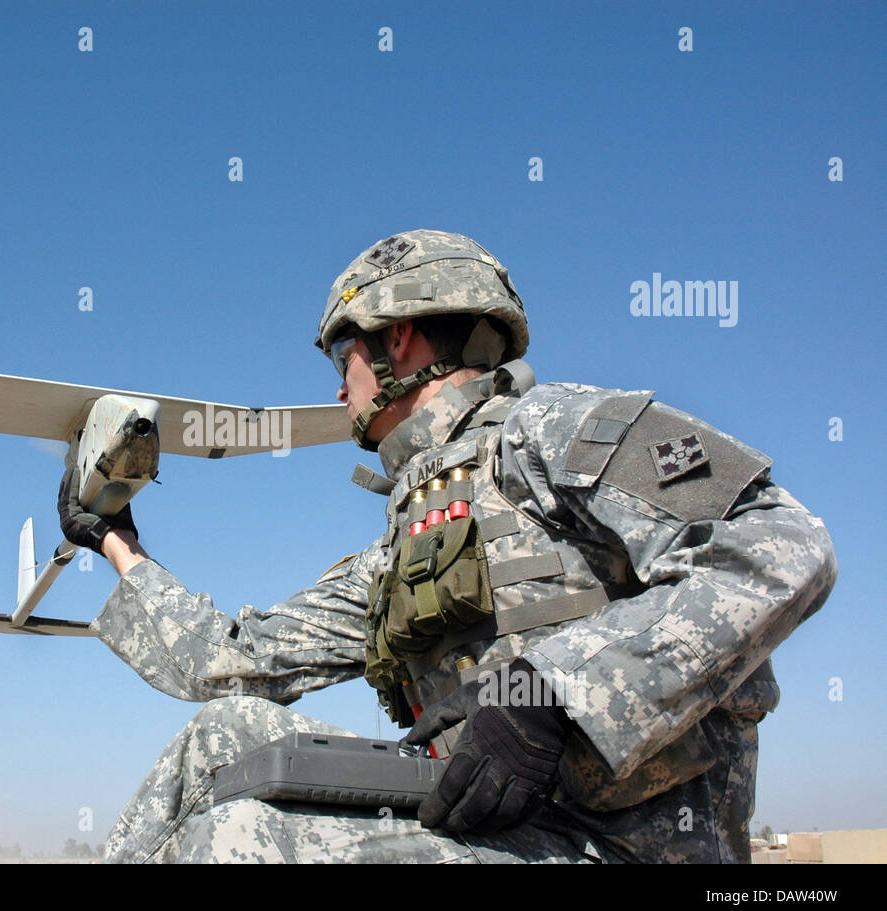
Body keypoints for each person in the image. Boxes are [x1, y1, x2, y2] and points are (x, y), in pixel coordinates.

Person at [58, 230, 838, 864]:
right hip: (498, 835)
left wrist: (552, 700)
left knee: (233, 844)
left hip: (622, 845)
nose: (338, 391)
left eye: (344, 362)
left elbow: (778, 544)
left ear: (397, 341)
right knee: (219, 740)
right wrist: (116, 543)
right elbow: (232, 661)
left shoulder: (548, 432)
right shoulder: (411, 537)